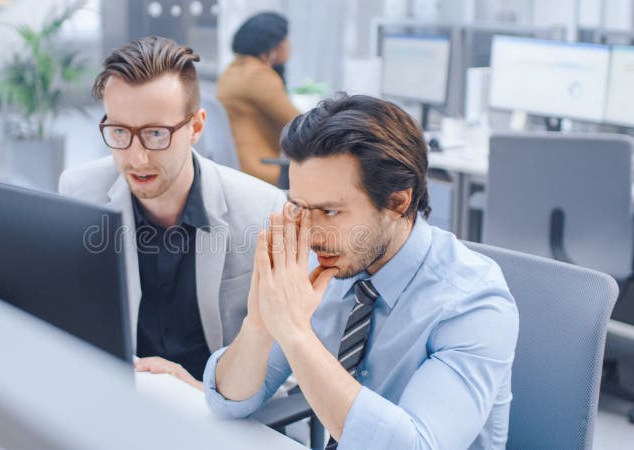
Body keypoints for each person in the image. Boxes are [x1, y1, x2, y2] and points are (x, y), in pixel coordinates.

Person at [203, 95, 520, 449]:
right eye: (299, 206)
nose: (310, 233)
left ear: (398, 202)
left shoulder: (474, 302)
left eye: (330, 212)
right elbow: (229, 401)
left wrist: (293, 332)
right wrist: (261, 324)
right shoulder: (323, 263)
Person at [59, 36, 286, 390]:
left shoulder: (262, 211)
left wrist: (200, 391)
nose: (136, 158)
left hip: (215, 414)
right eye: (119, 131)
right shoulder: (79, 190)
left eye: (155, 133)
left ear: (195, 127)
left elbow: (284, 369)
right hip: (121, 399)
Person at [217, 11, 300, 185]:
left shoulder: (232, 71)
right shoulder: (257, 76)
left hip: (236, 168)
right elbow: (300, 124)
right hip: (261, 171)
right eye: (286, 38)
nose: (289, 44)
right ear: (274, 46)